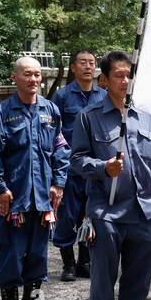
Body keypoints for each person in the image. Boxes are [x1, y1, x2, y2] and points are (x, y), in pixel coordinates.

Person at [71, 50, 151, 300]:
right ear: (104, 80)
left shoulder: (146, 115)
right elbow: (77, 160)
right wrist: (103, 167)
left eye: (129, 76)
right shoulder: (89, 116)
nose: (125, 81)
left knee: (138, 279)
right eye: (119, 76)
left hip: (145, 210)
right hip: (107, 212)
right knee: (103, 277)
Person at [0, 57, 69, 300]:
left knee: (38, 251)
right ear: (15, 77)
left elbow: (60, 150)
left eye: (36, 75)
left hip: (43, 196)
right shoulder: (1, 112)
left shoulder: (51, 111)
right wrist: (0, 188)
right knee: (10, 249)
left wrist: (59, 183)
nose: (33, 80)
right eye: (27, 75)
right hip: (14, 195)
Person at [51, 50, 107, 280]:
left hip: (94, 167)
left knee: (90, 213)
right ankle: (68, 264)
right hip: (70, 168)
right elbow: (54, 133)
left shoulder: (103, 96)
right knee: (66, 215)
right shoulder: (62, 96)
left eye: (91, 63)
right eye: (82, 63)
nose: (87, 67)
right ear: (73, 67)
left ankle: (85, 259)